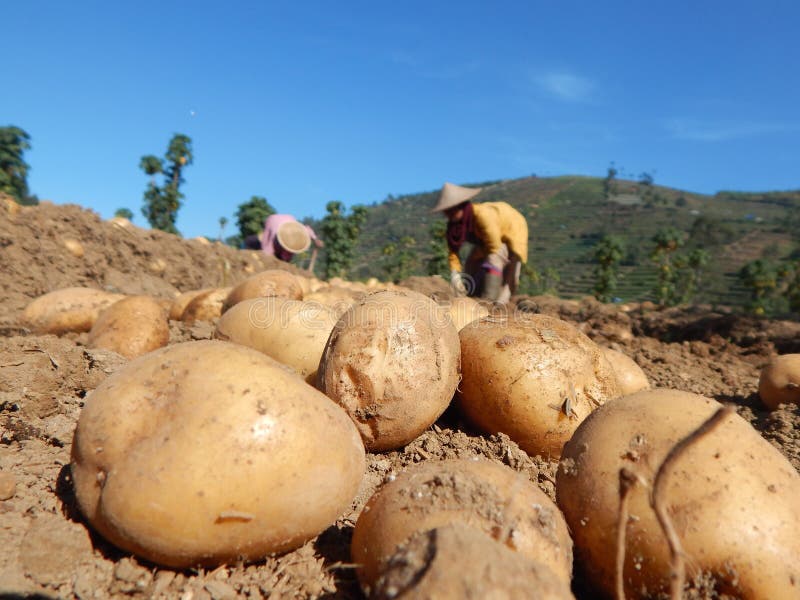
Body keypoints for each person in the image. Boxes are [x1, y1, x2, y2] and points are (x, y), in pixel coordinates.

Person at [432, 182, 528, 303]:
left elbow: (494, 246)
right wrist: (455, 274)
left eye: (452, 211)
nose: (449, 215)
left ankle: (491, 300)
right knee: (472, 261)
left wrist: (489, 267)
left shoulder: (483, 215)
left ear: (461, 206)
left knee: (500, 264)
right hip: (486, 241)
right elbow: (453, 252)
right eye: (446, 212)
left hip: (513, 230)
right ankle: (472, 295)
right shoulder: (455, 227)